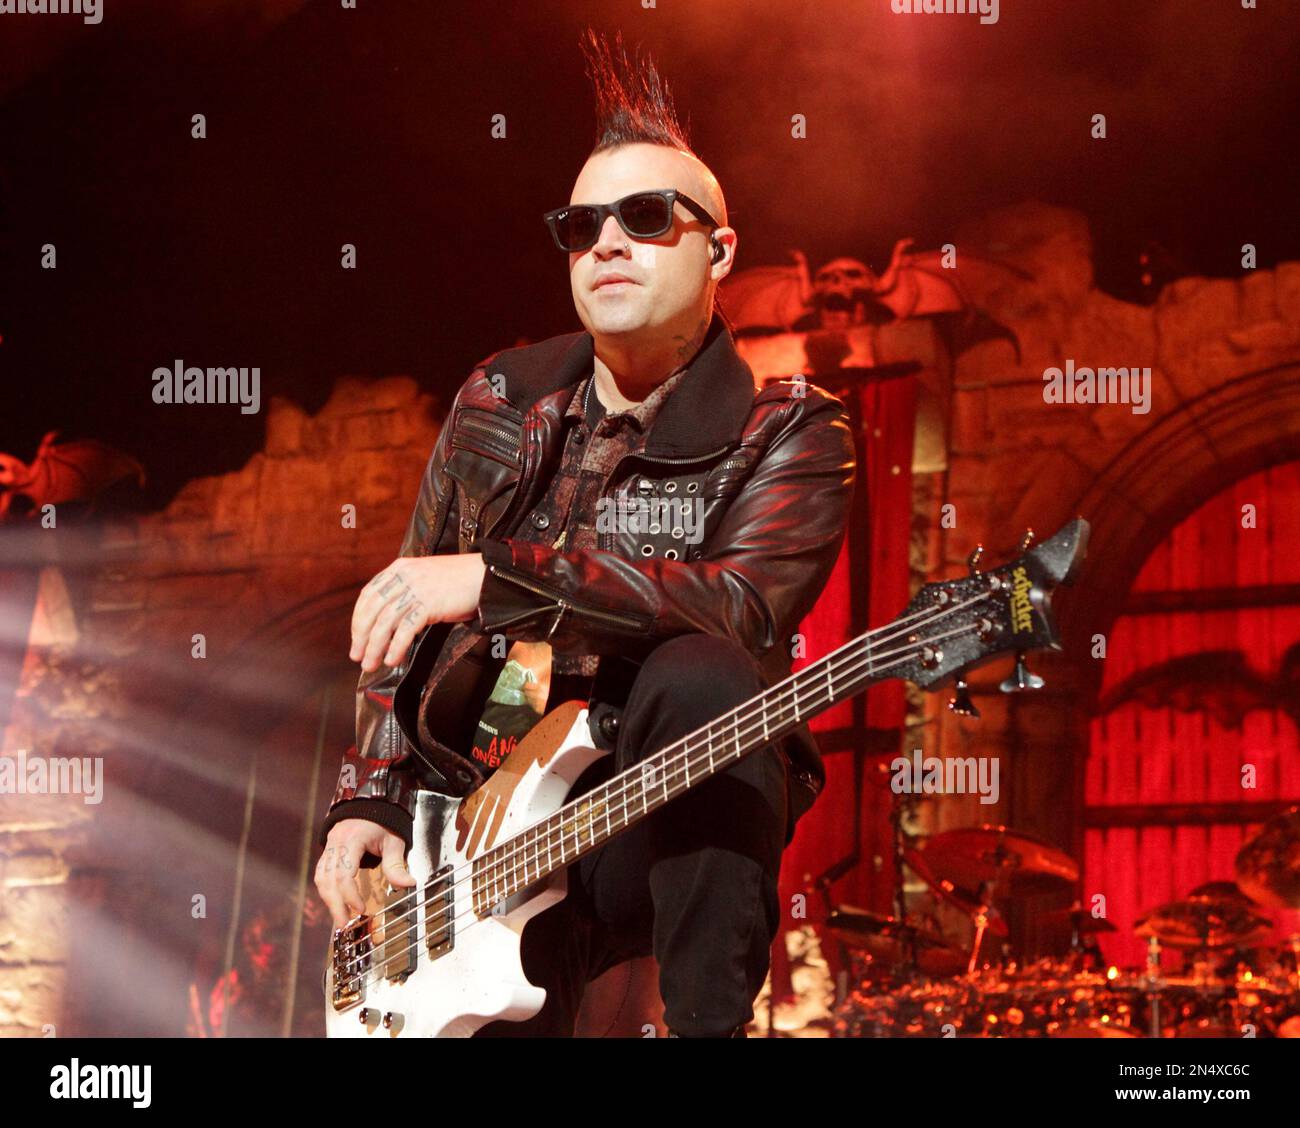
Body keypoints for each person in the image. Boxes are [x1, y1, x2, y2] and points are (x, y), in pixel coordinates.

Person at [314, 29, 856, 1037]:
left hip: (633, 827)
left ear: (719, 251)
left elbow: (736, 608)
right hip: (465, 837)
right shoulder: (498, 396)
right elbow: (403, 618)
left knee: (706, 672)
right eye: (581, 224)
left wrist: (496, 578)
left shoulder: (791, 429)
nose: (606, 242)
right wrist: (370, 799)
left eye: (646, 218)